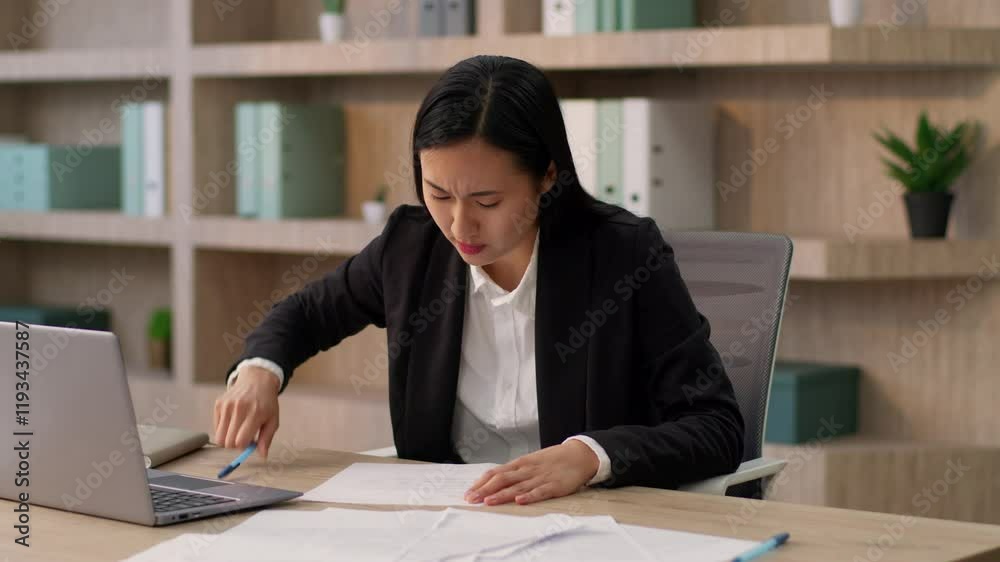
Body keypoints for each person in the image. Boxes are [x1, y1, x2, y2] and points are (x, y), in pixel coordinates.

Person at [213, 54, 744, 507]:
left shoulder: (623, 257)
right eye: (439, 194)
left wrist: (589, 456)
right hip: (448, 521)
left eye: (487, 201)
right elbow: (306, 315)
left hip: (589, 523)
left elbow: (715, 426)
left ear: (547, 177)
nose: (460, 227)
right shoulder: (411, 247)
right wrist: (261, 370)